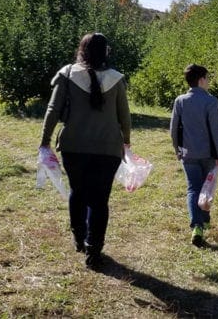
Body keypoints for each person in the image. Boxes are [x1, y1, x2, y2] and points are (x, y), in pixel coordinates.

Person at [40, 33, 131, 269]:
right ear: (106, 52)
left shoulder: (67, 74)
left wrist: (45, 141)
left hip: (74, 146)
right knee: (100, 200)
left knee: (78, 192)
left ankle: (79, 237)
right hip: (108, 147)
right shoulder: (116, 79)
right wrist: (127, 142)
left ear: (81, 50)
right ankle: (94, 251)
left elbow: (52, 110)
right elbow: (124, 115)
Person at [170, 64, 218, 247]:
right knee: (207, 187)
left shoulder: (180, 100)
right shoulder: (211, 101)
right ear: (201, 80)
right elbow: (215, 132)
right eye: (207, 78)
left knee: (193, 188)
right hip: (208, 154)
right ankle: (204, 220)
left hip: (188, 154)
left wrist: (178, 150)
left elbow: (173, 129)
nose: (208, 82)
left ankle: (198, 226)